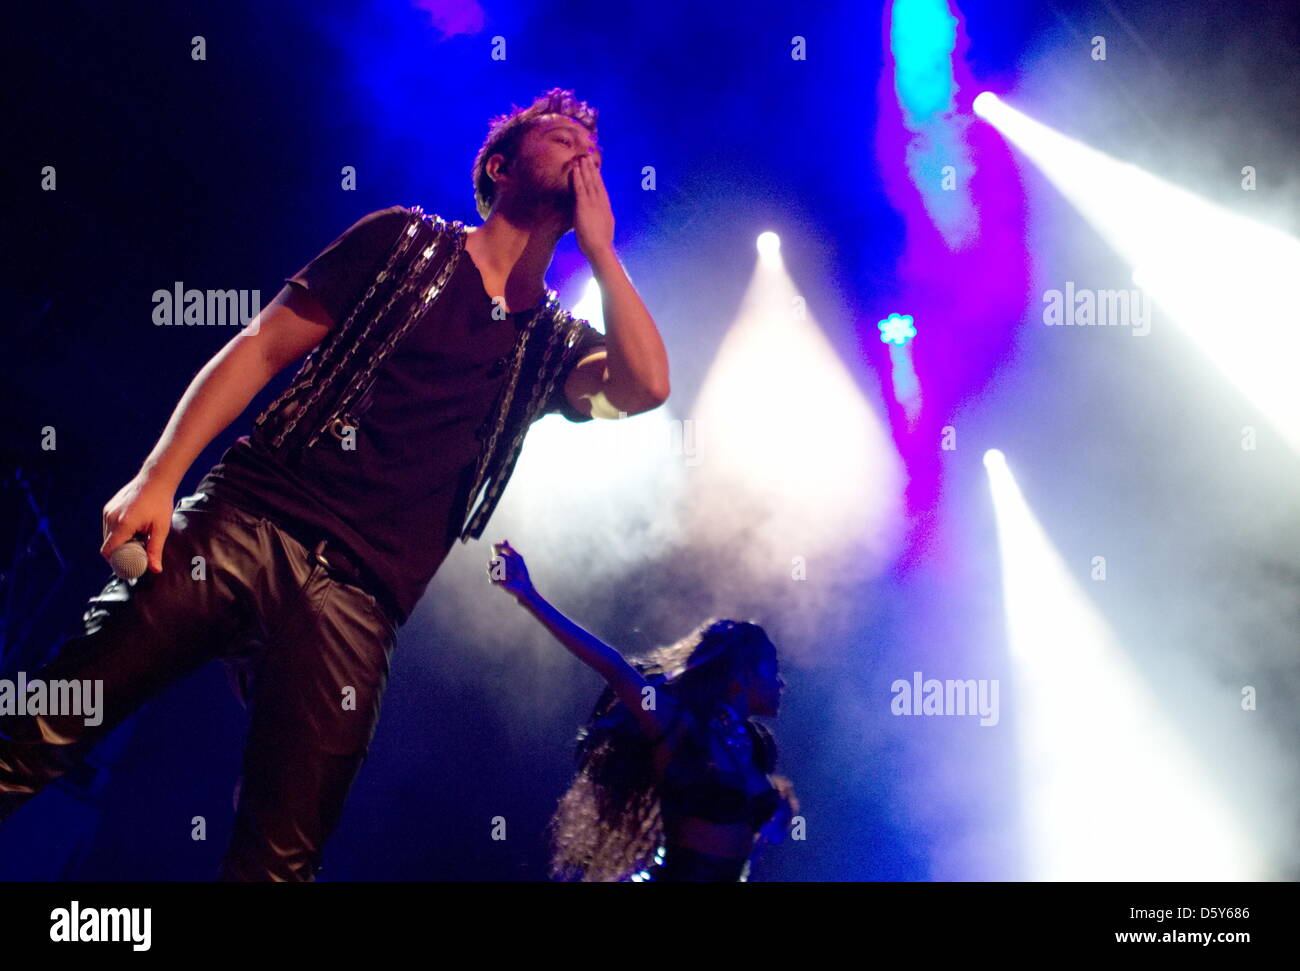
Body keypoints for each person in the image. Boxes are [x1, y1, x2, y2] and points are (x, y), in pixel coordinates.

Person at [0, 87, 670, 881]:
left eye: (591, 144)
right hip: (248, 523)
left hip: (360, 601)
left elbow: (648, 386)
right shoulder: (402, 242)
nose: (582, 149)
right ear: (500, 165)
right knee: (44, 726)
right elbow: (259, 348)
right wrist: (159, 478)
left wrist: (604, 254)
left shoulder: (556, 343)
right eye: (561, 135)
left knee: (280, 863)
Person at [487, 540, 797, 882]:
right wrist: (528, 595)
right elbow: (614, 667)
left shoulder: (752, 748)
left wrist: (778, 810)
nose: (781, 683)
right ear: (741, 675)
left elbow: (764, 826)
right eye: (772, 669)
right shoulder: (679, 726)